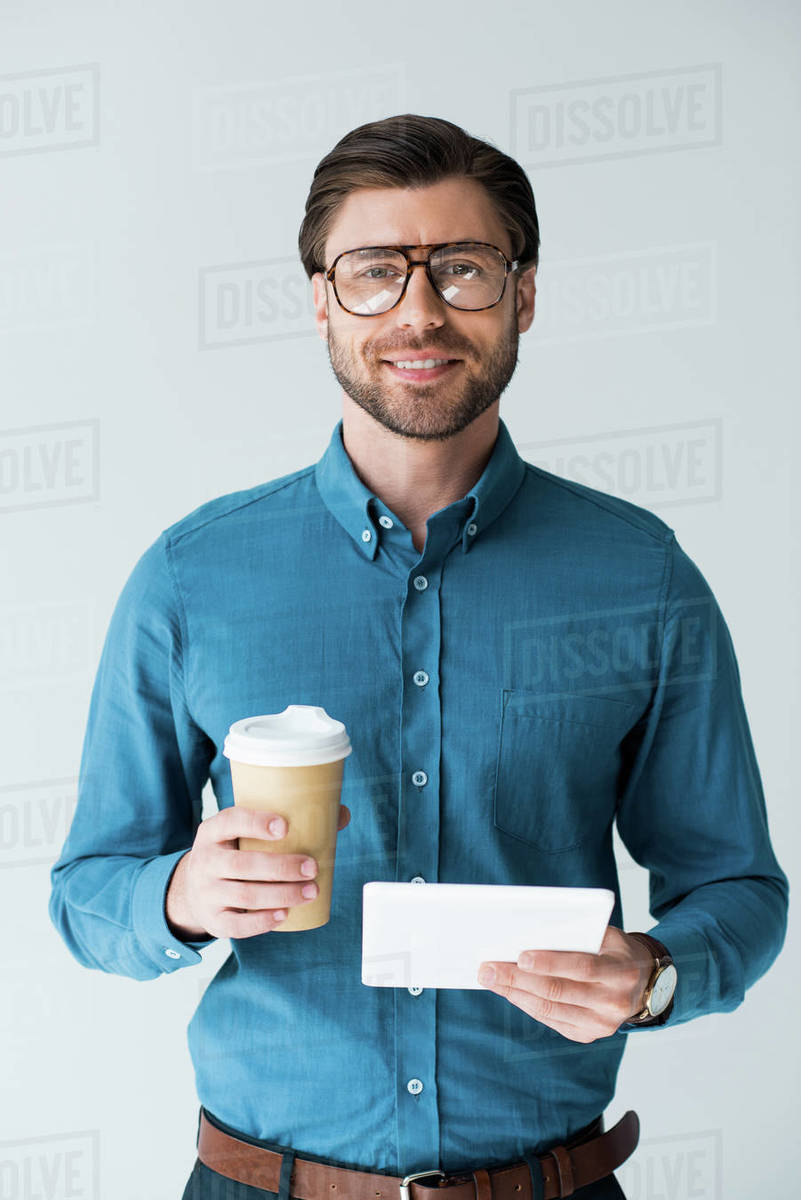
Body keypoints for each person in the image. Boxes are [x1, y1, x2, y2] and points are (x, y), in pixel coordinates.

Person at [49, 114, 788, 1200]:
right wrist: (181, 896)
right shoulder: (191, 579)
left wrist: (657, 976)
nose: (420, 309)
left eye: (464, 268)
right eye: (374, 272)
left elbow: (736, 884)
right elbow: (86, 894)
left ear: (523, 295)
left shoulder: (643, 578)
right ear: (320, 302)